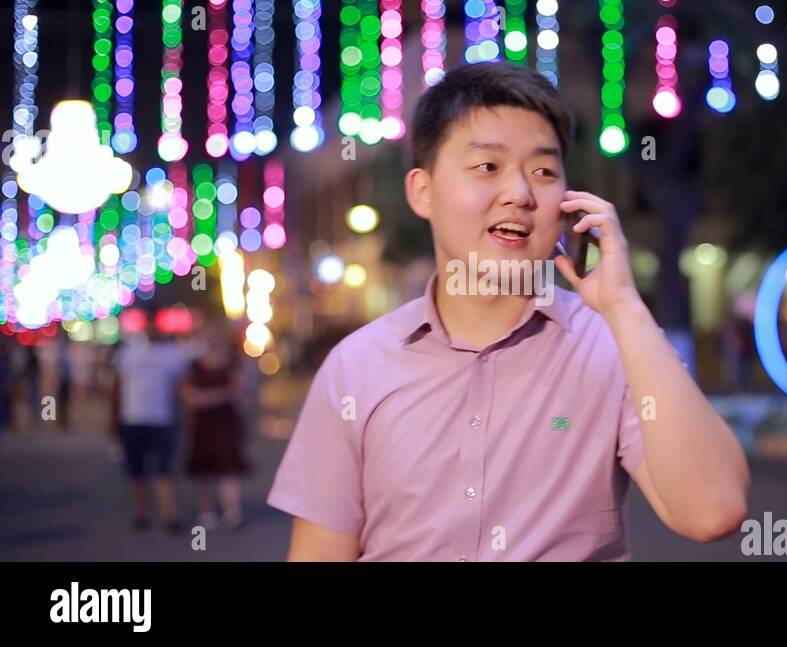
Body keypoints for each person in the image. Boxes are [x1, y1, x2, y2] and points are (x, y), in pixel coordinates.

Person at [267, 62, 749, 561]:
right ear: (422, 191)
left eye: (543, 171)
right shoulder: (356, 367)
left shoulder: (611, 346)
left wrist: (625, 307)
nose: (519, 193)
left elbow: (711, 511)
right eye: (487, 167)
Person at [110, 317, 191, 533]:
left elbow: (181, 387)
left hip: (161, 418)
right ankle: (142, 512)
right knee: (137, 469)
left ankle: (169, 514)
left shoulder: (172, 355)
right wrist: (113, 417)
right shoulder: (128, 353)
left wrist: (189, 414)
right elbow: (117, 386)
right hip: (133, 418)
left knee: (163, 468)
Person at [181, 319, 249, 530]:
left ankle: (232, 510)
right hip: (203, 424)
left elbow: (238, 391)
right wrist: (219, 396)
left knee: (228, 467)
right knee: (203, 469)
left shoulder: (231, 362)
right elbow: (190, 396)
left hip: (225, 422)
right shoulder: (193, 365)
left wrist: (207, 398)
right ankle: (207, 511)